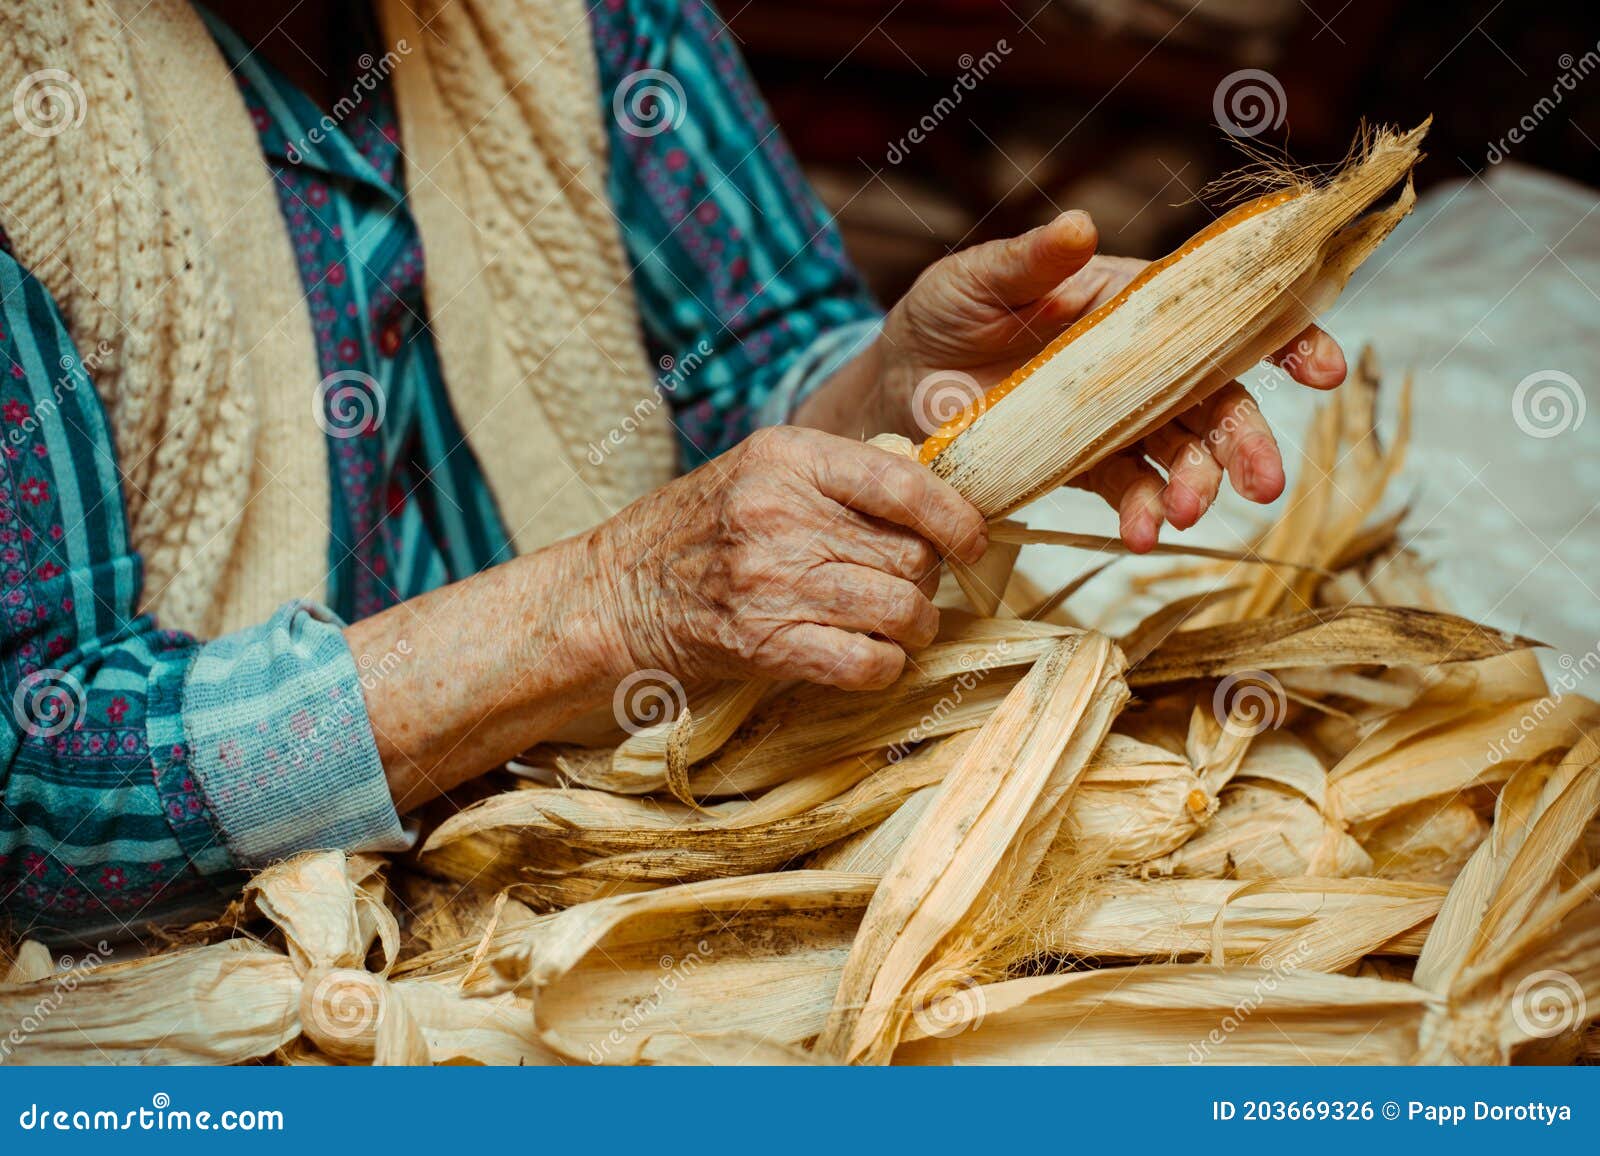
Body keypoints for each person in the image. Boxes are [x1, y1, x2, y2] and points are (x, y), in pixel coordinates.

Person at [0, 0, 1345, 943]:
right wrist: (603, 607)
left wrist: (910, 398)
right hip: (253, 958)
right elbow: (33, 776)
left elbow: (749, 350)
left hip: (627, 830)